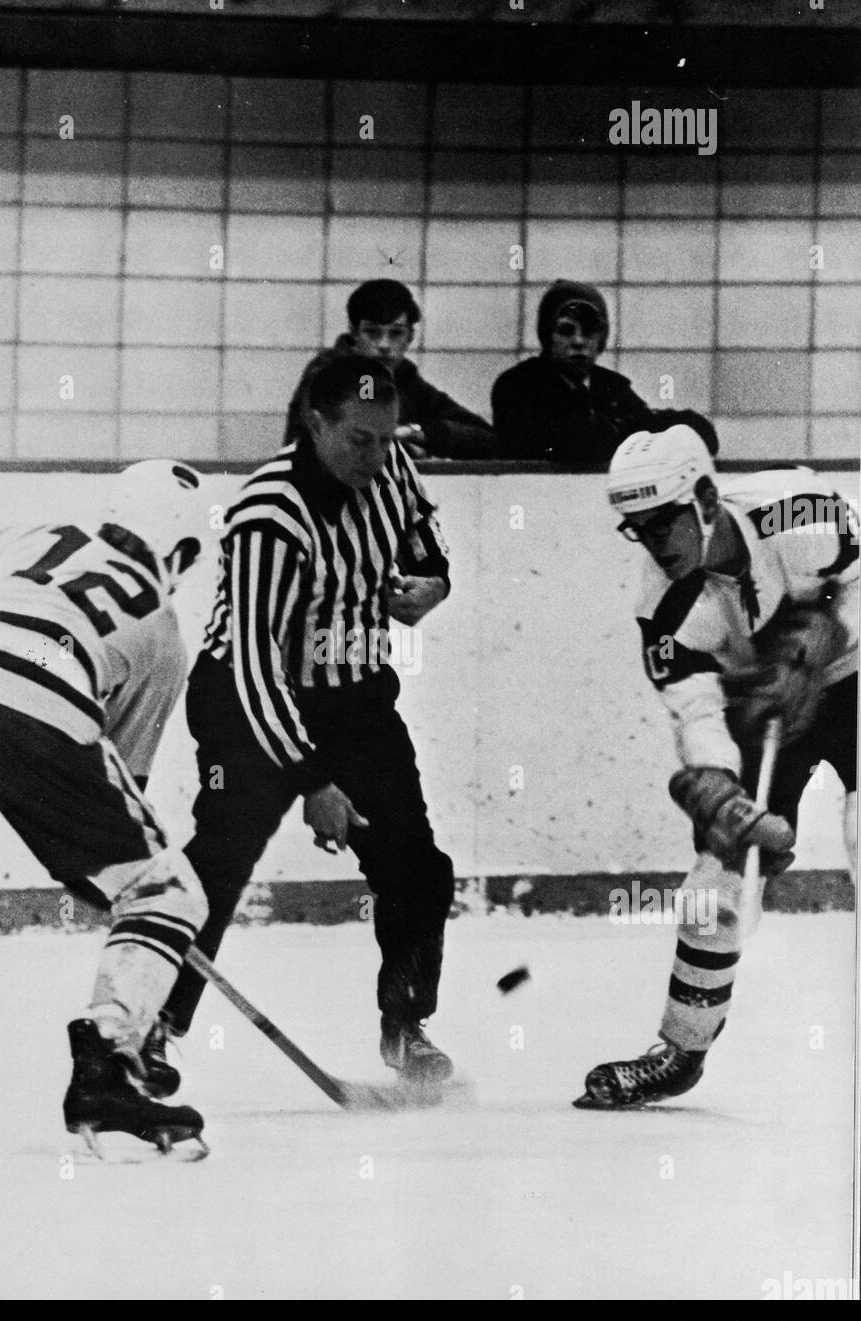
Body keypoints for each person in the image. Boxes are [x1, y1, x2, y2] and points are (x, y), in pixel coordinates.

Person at [0, 459, 213, 1156]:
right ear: (181, 554)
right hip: (33, 709)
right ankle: (108, 1060)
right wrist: (139, 931)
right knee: (169, 895)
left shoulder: (32, 535)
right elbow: (119, 814)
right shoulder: (163, 634)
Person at [144, 354, 456, 1096]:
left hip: (353, 699)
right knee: (219, 862)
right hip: (245, 699)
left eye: (387, 440)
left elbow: (420, 532)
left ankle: (405, 1026)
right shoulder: (269, 515)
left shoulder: (389, 468)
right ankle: (149, 1026)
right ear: (314, 423)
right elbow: (256, 664)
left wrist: (434, 580)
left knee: (418, 867)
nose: (377, 458)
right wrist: (311, 781)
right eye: (359, 440)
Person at [575, 425, 858, 1108]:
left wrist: (830, 631)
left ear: (705, 496)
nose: (652, 543)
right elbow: (698, 713)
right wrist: (722, 791)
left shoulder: (799, 507)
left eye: (662, 522)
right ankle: (680, 1051)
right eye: (635, 529)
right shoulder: (662, 605)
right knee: (716, 885)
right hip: (765, 704)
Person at [491, 279, 719, 468]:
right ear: (547, 336)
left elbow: (700, 434)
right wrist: (633, 434)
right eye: (566, 330)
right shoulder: (519, 386)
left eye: (589, 331)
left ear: (601, 338)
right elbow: (572, 445)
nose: (579, 341)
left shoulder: (611, 387)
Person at [285, 278, 497, 460]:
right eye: (373, 333)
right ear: (355, 334)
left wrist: (418, 433)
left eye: (395, 333)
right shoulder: (330, 372)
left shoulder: (404, 377)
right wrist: (409, 445)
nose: (384, 345)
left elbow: (487, 439)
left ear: (409, 338)